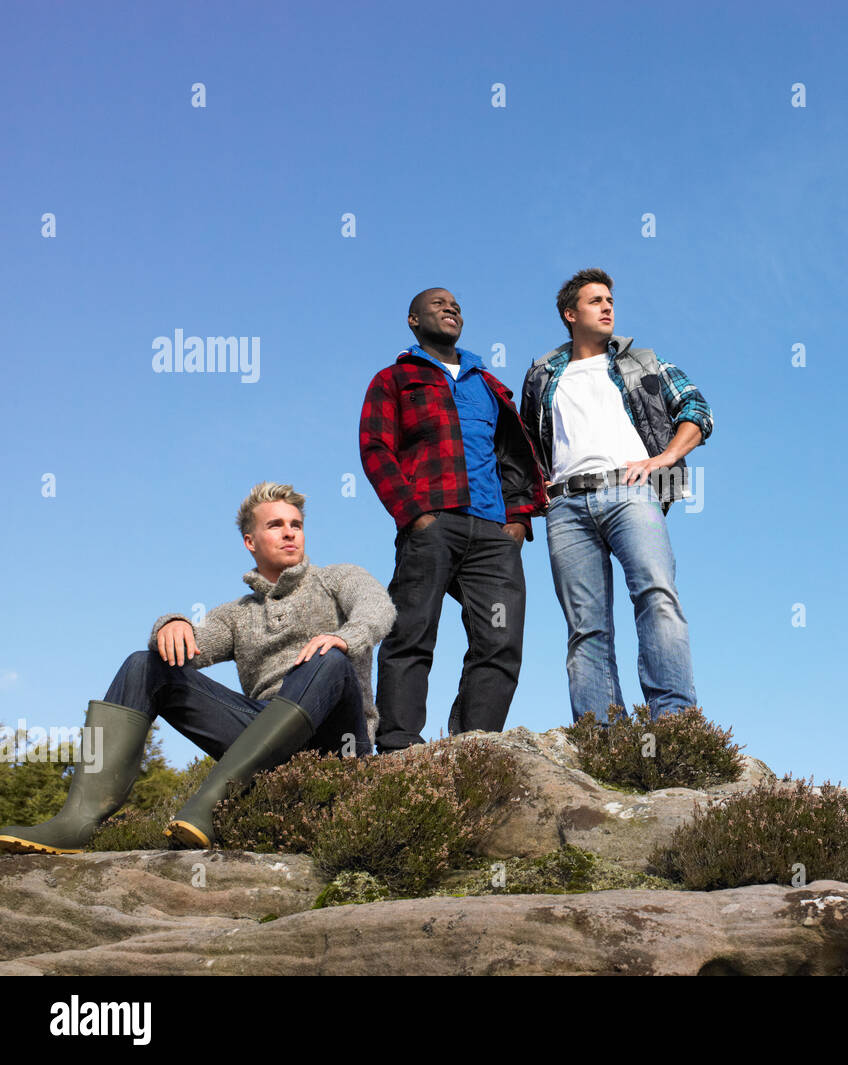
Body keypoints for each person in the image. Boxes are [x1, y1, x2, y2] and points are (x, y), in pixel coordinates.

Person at [0, 482, 396, 854]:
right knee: (144, 665)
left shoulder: (337, 578)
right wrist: (170, 625)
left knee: (327, 656)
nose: (290, 532)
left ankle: (209, 804)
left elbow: (377, 609)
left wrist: (346, 636)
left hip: (338, 743)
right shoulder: (236, 615)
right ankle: (76, 822)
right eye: (276, 525)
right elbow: (187, 649)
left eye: (296, 525)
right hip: (268, 743)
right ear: (250, 541)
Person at [518, 268, 713, 724]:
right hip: (565, 506)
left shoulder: (642, 361)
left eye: (610, 300)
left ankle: (673, 721)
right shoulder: (542, 374)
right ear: (570, 314)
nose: (608, 307)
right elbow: (524, 443)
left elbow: (697, 409)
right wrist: (535, 491)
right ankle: (603, 735)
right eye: (595, 301)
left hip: (631, 491)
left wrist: (664, 458)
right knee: (586, 627)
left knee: (656, 595)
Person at [359, 287, 547, 749]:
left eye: (456, 305)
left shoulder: (489, 385)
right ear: (413, 320)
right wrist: (414, 514)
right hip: (431, 524)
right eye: (438, 304)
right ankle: (397, 744)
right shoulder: (394, 379)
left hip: (493, 534)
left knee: (500, 640)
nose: (451, 308)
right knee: (411, 632)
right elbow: (375, 449)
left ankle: (473, 746)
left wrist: (519, 520)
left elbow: (515, 457)